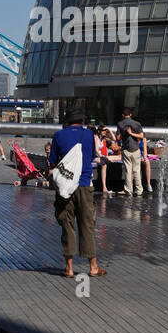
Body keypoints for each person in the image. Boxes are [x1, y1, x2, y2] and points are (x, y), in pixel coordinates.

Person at [49, 108, 106, 278]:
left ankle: (69, 268)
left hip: (65, 187)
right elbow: (91, 156)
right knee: (87, 224)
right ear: (81, 121)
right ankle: (93, 267)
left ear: (67, 122)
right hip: (84, 184)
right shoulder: (89, 135)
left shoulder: (58, 136)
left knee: (67, 224)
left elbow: (53, 162)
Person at [116, 108, 144, 197]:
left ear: (123, 115)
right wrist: (132, 134)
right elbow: (141, 136)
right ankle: (139, 190)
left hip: (126, 149)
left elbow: (117, 138)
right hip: (135, 149)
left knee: (128, 170)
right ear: (131, 114)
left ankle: (128, 190)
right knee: (136, 170)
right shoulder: (137, 124)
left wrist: (127, 133)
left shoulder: (120, 124)